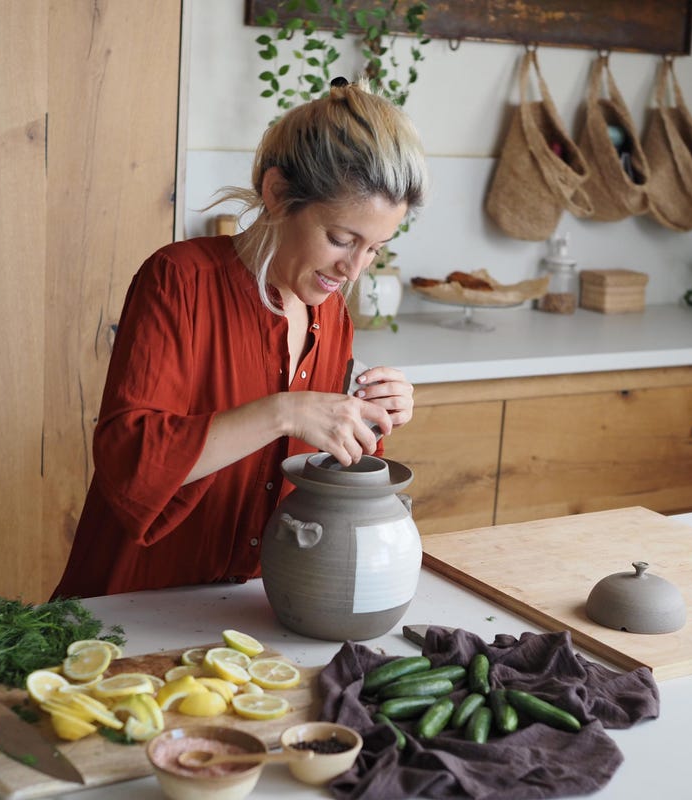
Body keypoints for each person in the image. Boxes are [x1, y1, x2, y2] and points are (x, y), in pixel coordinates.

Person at [51, 77, 428, 599]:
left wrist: (369, 417)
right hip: (131, 608)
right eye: (341, 239)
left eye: (375, 249)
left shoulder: (331, 312)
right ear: (276, 194)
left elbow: (311, 475)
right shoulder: (179, 280)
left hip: (250, 612)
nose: (353, 268)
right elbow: (131, 464)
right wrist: (285, 411)